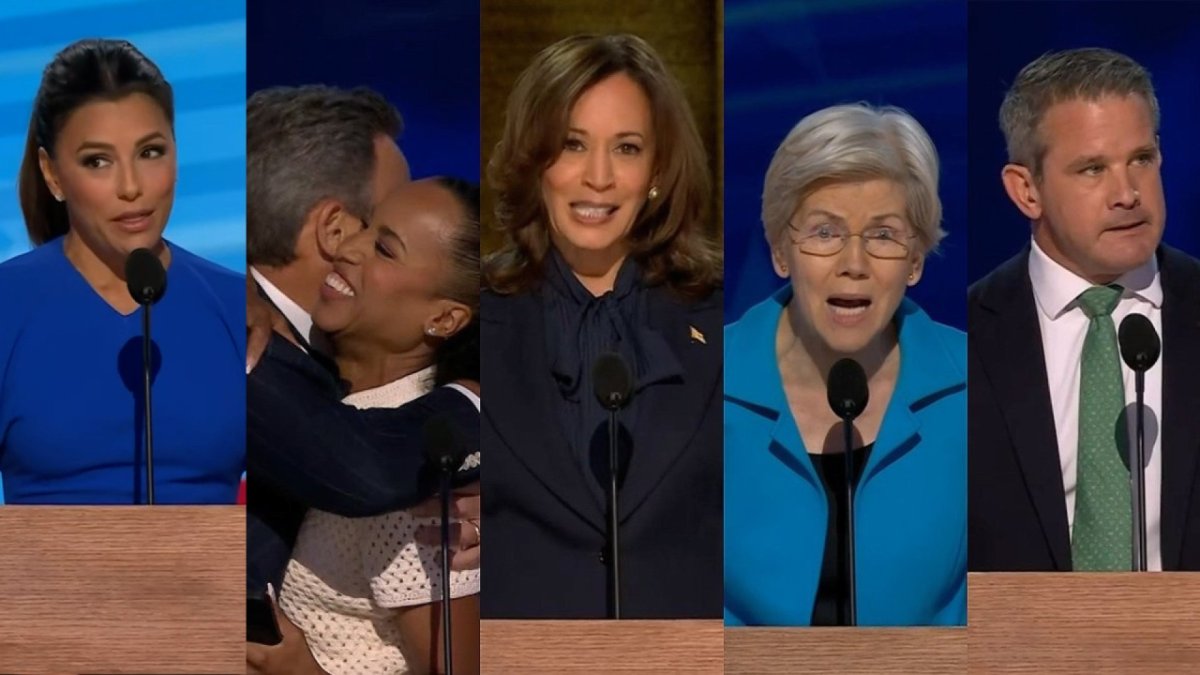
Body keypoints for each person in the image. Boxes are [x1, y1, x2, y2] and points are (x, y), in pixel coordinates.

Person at [481, 33, 723, 619]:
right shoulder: (475, 318)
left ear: (658, 170)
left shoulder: (724, 321)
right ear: (535, 161)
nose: (599, 177)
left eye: (627, 148)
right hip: (524, 646)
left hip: (681, 649)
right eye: (572, 144)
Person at [243, 87, 480, 674]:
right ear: (330, 224)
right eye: (366, 224)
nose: (351, 246)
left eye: (385, 246)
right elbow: (363, 465)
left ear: (445, 318)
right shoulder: (235, 335)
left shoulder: (418, 466)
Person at [723, 104, 966, 626]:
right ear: (780, 251)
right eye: (825, 232)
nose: (853, 264)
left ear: (916, 260)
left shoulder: (972, 386)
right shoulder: (707, 384)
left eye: (883, 235)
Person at [969, 48, 1200, 572]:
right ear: (1026, 191)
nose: (1127, 194)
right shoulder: (966, 341)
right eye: (1093, 168)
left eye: (1141, 159)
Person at [0, 38, 243, 504]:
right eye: (98, 161)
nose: (131, 187)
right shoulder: (8, 305)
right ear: (52, 174)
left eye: (150, 152)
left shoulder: (238, 306)